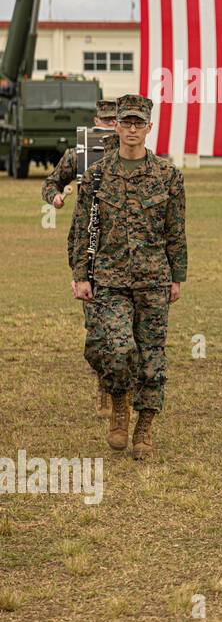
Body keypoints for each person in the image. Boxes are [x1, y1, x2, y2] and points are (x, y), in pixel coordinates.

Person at [70, 95, 187, 459]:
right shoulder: (96, 175)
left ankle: (144, 427)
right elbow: (80, 231)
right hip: (109, 278)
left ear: (149, 128)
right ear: (116, 126)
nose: (133, 129)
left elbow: (176, 231)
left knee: (152, 358)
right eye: (127, 123)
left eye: (140, 123)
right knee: (118, 349)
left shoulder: (168, 175)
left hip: (153, 278)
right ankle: (119, 404)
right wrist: (81, 275)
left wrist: (177, 276)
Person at [45, 98, 120, 416]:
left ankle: (121, 389)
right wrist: (57, 197)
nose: (109, 126)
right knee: (98, 326)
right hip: (87, 246)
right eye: (104, 120)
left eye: (114, 121)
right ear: (95, 120)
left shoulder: (133, 155)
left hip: (123, 249)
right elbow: (50, 183)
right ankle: (105, 387)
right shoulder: (79, 154)